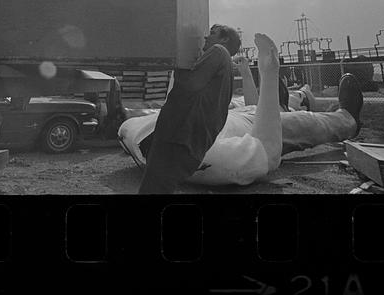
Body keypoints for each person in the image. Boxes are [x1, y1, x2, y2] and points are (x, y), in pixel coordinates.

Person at [121, 34, 364, 189]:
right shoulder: (214, 160)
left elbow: (172, 105)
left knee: (262, 108)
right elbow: (268, 153)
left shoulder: (134, 131)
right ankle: (347, 119)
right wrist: (269, 73)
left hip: (214, 122)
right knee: (303, 122)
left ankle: (297, 100)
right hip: (247, 126)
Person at [137, 24, 240, 194]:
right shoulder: (226, 67)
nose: (206, 37)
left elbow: (190, 85)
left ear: (224, 39)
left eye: (212, 33)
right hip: (188, 142)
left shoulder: (219, 51)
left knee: (153, 189)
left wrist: (179, 59)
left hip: (180, 139)